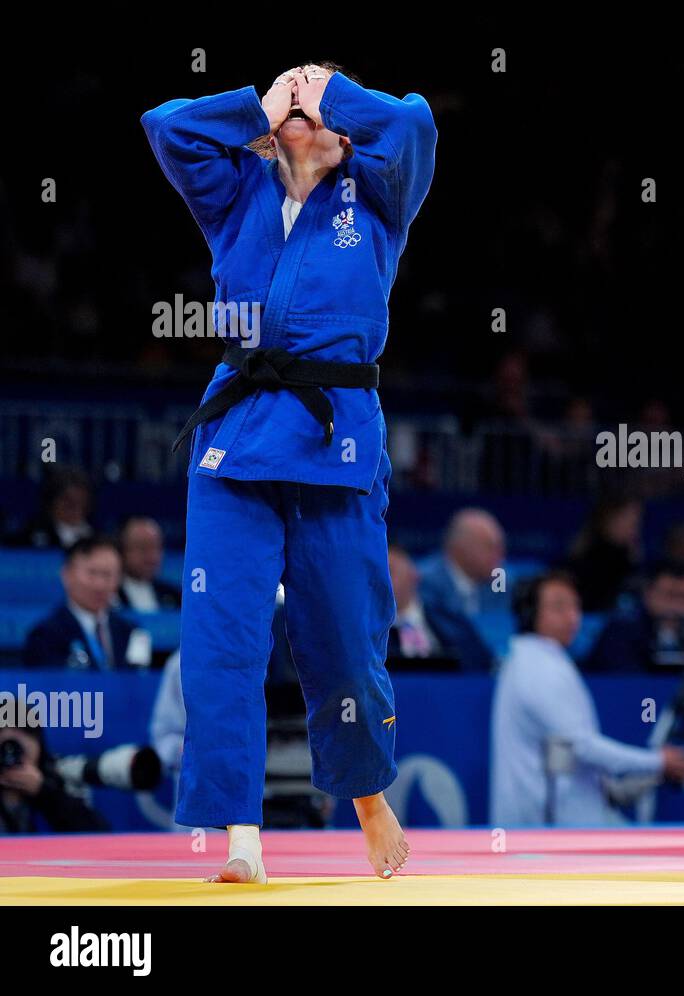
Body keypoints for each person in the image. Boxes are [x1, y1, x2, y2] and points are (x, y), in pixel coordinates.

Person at [141, 61, 436, 882]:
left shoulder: (378, 199)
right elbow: (164, 126)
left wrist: (331, 93)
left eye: (318, 100)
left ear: (346, 131)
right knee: (220, 639)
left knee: (344, 641)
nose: (304, 102)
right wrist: (259, 105)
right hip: (235, 436)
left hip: (336, 438)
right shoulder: (235, 193)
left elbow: (413, 124)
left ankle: (368, 795)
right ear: (269, 132)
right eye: (292, 97)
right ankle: (241, 834)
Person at [490, 570, 684, 825]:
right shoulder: (537, 669)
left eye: (575, 606)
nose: (572, 617)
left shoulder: (542, 660)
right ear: (529, 613)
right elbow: (581, 746)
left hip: (568, 817)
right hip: (547, 830)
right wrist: (656, 762)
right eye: (559, 607)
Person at [23, 536, 152, 669]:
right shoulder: (45, 635)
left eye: (107, 575)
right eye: (92, 573)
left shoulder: (132, 632)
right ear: (67, 575)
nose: (99, 584)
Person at [116, 516, 182, 612]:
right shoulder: (109, 597)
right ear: (123, 550)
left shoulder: (175, 597)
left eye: (157, 547)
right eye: (143, 548)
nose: (152, 556)